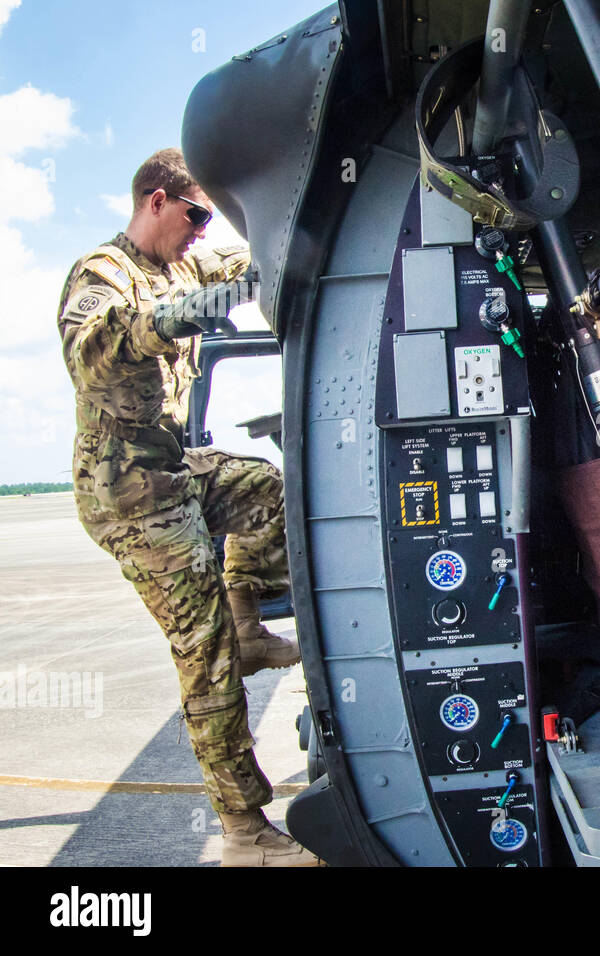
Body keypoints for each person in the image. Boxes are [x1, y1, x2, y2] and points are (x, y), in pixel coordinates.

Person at [56, 148, 317, 866]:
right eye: (196, 215)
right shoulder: (100, 274)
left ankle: (247, 620)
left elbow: (245, 259)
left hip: (173, 470)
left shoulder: (185, 263)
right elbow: (94, 346)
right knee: (205, 661)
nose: (201, 231)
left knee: (267, 487)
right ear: (156, 202)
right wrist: (173, 316)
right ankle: (243, 832)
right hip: (129, 498)